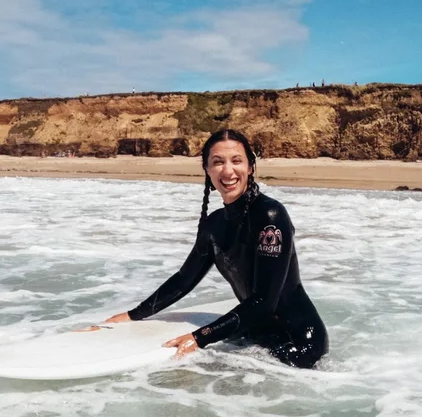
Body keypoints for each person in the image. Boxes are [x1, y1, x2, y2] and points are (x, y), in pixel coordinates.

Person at [102, 128, 328, 368]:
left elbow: (265, 301)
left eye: (236, 161)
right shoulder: (214, 224)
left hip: (299, 344)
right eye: (217, 162)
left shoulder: (270, 216)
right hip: (254, 337)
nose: (228, 171)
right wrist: (132, 315)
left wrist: (199, 338)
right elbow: (183, 279)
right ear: (207, 170)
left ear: (251, 167)